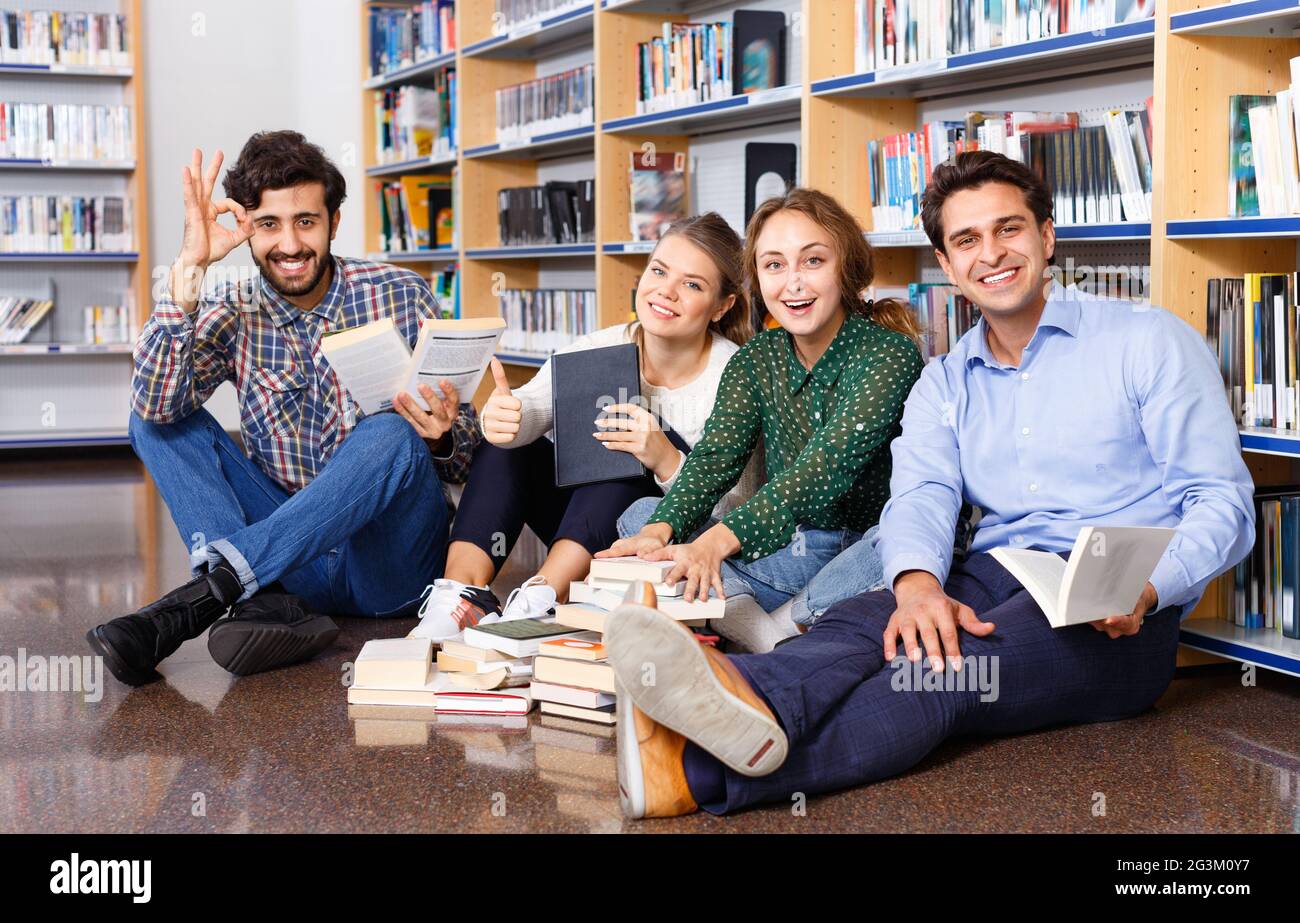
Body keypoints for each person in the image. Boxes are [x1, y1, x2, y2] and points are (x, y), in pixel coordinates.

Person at [604, 150, 1256, 818]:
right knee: (862, 624)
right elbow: (921, 495)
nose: (991, 254)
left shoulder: (1147, 342)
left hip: (1115, 610)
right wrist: (916, 586)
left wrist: (1146, 584)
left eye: (1009, 229)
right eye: (966, 240)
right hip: (993, 570)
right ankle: (722, 694)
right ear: (946, 264)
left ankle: (690, 766)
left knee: (938, 670)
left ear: (1047, 237)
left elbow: (1223, 501)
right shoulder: (945, 379)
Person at [87, 131, 480, 686]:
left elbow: (469, 456)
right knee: (154, 421)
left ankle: (213, 592)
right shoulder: (233, 311)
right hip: (294, 567)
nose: (290, 245)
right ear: (245, 227)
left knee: (391, 433)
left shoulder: (402, 294)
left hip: (387, 570)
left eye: (306, 221)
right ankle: (257, 597)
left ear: (334, 223)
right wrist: (189, 270)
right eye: (269, 224)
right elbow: (154, 406)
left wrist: (440, 438)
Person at [412, 213, 760, 638]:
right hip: (590, 531)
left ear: (722, 306)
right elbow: (534, 407)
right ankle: (463, 597)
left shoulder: (738, 376)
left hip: (667, 542)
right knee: (511, 447)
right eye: (659, 270)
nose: (666, 291)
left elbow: (743, 512)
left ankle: (543, 597)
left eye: (692, 284)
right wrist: (505, 414)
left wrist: (665, 460)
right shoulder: (604, 344)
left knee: (628, 443)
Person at [600, 187, 925, 637]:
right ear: (757, 277)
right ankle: (770, 626)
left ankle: (760, 628)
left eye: (813, 261)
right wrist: (662, 529)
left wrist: (716, 542)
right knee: (642, 515)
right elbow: (714, 460)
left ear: (846, 268)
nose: (793, 282)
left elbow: (823, 469)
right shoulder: (756, 358)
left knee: (903, 541)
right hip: (781, 544)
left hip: (859, 548)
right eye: (774, 264)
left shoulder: (888, 354)